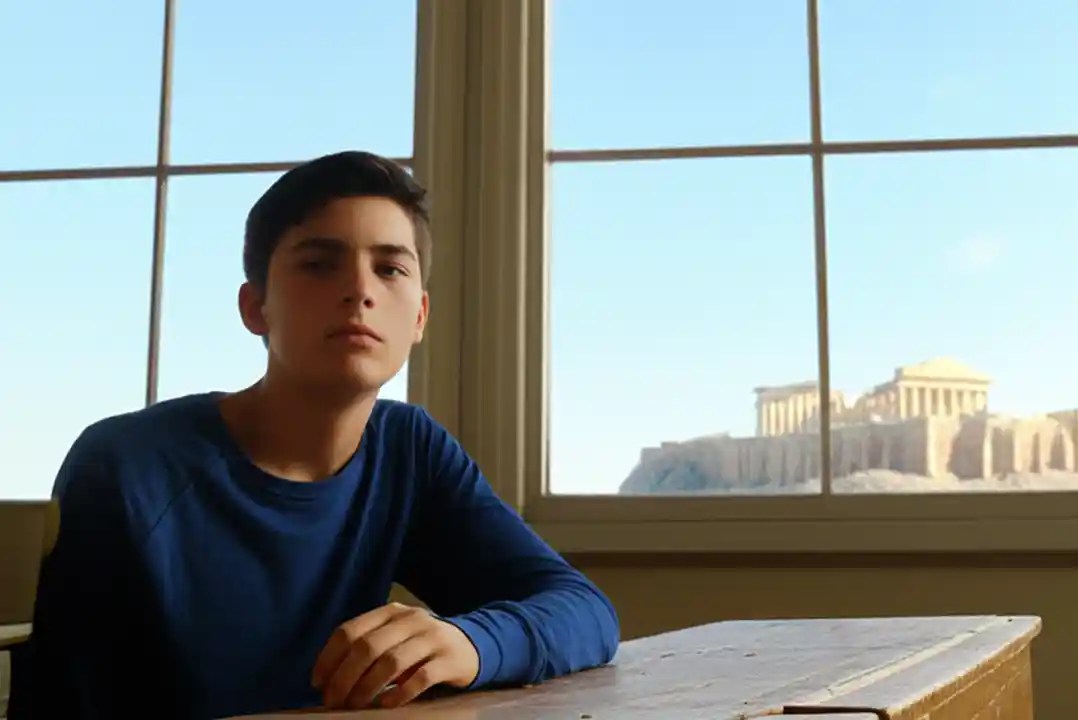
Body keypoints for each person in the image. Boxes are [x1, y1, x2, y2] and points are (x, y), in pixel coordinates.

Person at [8, 151, 620, 719]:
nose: (360, 290)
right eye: (319, 264)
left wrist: (470, 641)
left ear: (420, 318)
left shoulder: (409, 449)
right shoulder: (128, 468)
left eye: (389, 268)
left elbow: (584, 611)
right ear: (256, 308)